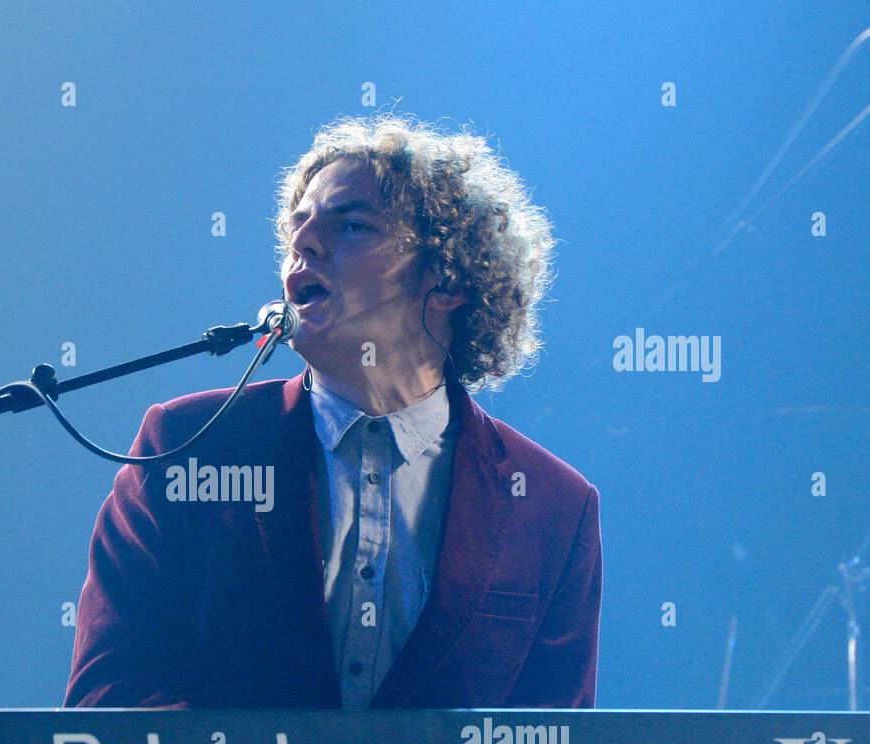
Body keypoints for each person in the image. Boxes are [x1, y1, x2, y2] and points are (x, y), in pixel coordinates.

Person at [65, 114, 601, 711]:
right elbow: (107, 701)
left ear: (448, 277)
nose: (304, 242)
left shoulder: (554, 504)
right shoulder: (185, 447)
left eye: (351, 224)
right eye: (298, 224)